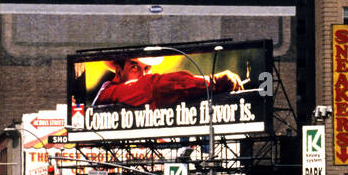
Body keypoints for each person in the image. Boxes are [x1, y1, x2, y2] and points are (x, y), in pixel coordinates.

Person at [93, 57, 244, 112]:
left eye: (147, 68)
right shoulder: (109, 93)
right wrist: (213, 83)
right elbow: (151, 86)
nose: (143, 74)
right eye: (134, 67)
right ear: (118, 71)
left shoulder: (138, 98)